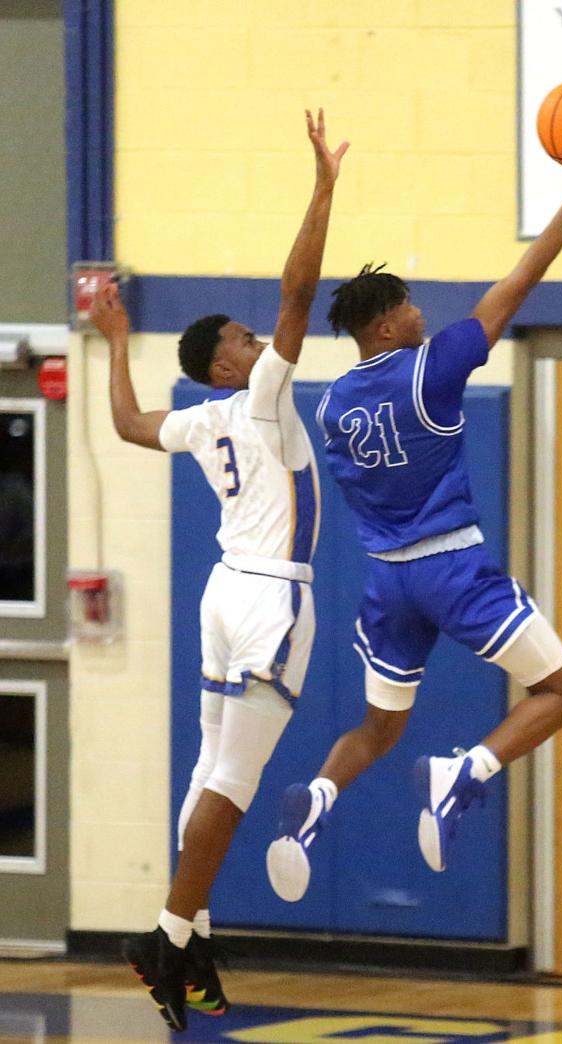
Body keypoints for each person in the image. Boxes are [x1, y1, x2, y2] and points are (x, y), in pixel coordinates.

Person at [266, 140, 562, 898]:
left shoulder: (329, 406)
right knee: (561, 693)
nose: (420, 311)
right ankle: (468, 768)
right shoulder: (432, 368)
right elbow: (521, 279)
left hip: (387, 581)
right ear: (388, 326)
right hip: (452, 567)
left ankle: (315, 800)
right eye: (407, 305)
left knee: (378, 730)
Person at [91, 110, 347, 1032]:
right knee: (231, 787)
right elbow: (299, 290)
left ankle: (190, 943)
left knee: (207, 775)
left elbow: (125, 426)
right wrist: (322, 189)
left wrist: (116, 342)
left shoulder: (201, 421)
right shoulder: (263, 398)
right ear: (226, 362)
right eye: (243, 337)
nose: (257, 340)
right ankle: (164, 936)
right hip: (274, 596)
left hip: (223, 591)